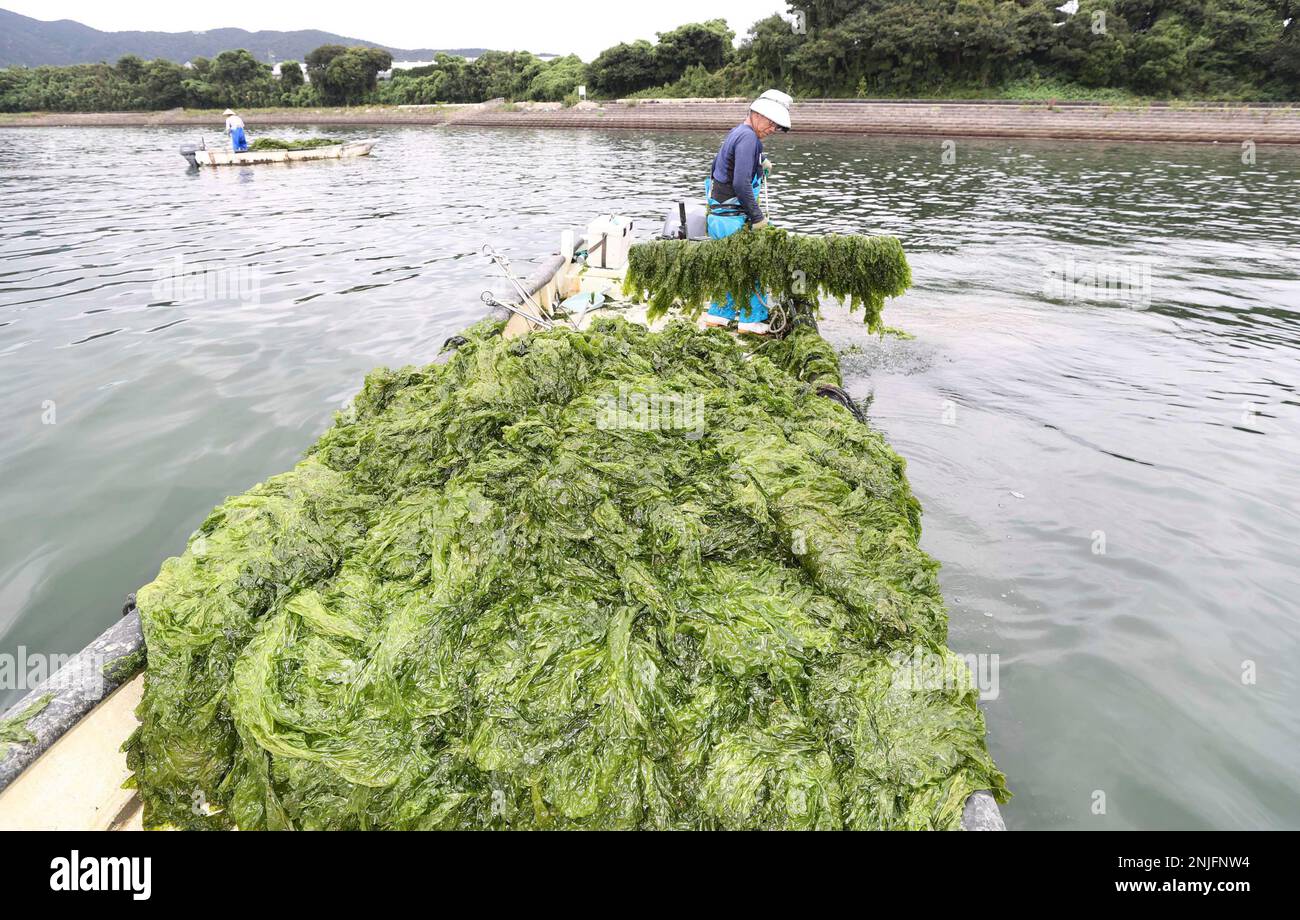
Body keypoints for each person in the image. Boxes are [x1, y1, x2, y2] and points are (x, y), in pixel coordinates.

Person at [702, 90, 792, 336]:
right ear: (756, 114)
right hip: (733, 219)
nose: (773, 128)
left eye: (778, 126)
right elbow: (741, 184)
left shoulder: (738, 133)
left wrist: (759, 164)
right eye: (771, 122)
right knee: (756, 266)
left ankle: (719, 316)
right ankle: (752, 320)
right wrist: (758, 218)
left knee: (730, 268)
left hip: (719, 218)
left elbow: (720, 167)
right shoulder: (749, 138)